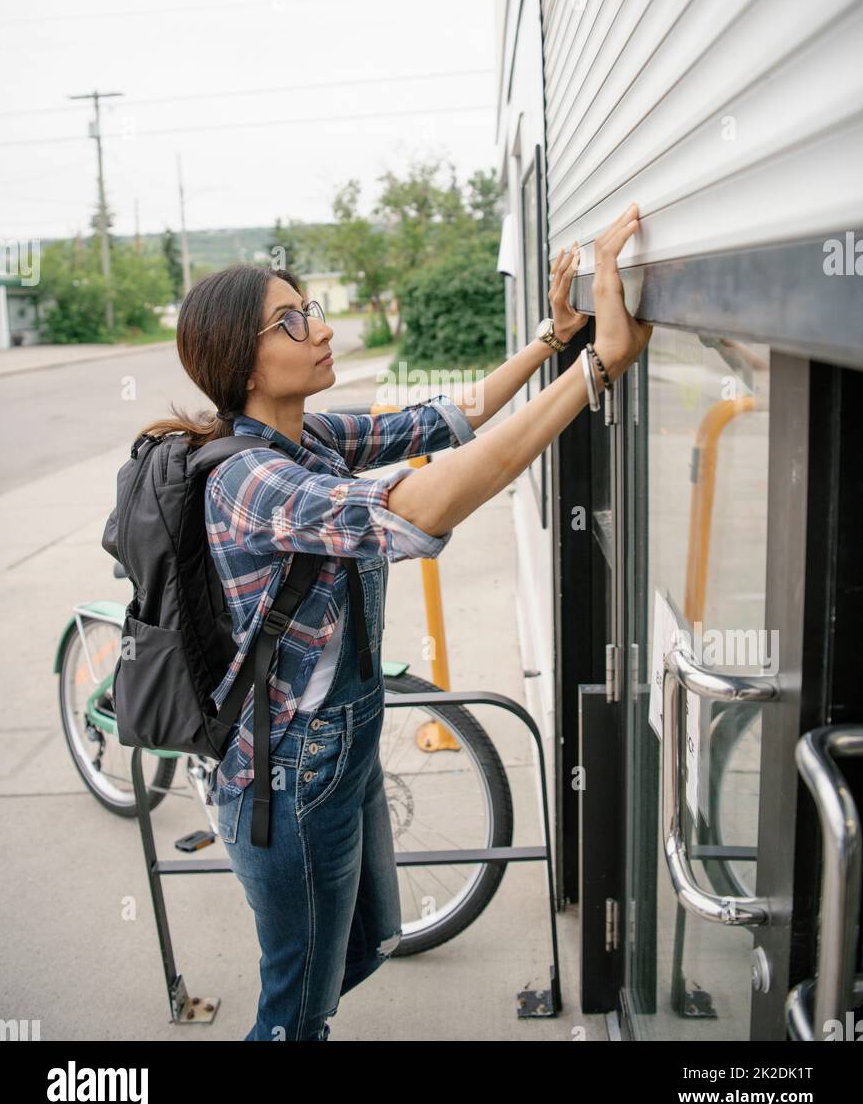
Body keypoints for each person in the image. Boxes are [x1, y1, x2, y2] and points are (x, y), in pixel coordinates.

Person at [141, 201, 652, 1040]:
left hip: (341, 744)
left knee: (362, 950)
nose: (320, 326)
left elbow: (452, 416)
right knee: (296, 1010)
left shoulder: (307, 438)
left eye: (309, 307)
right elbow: (424, 502)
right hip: (288, 775)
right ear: (243, 360)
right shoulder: (251, 481)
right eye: (292, 319)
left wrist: (555, 341)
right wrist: (595, 374)